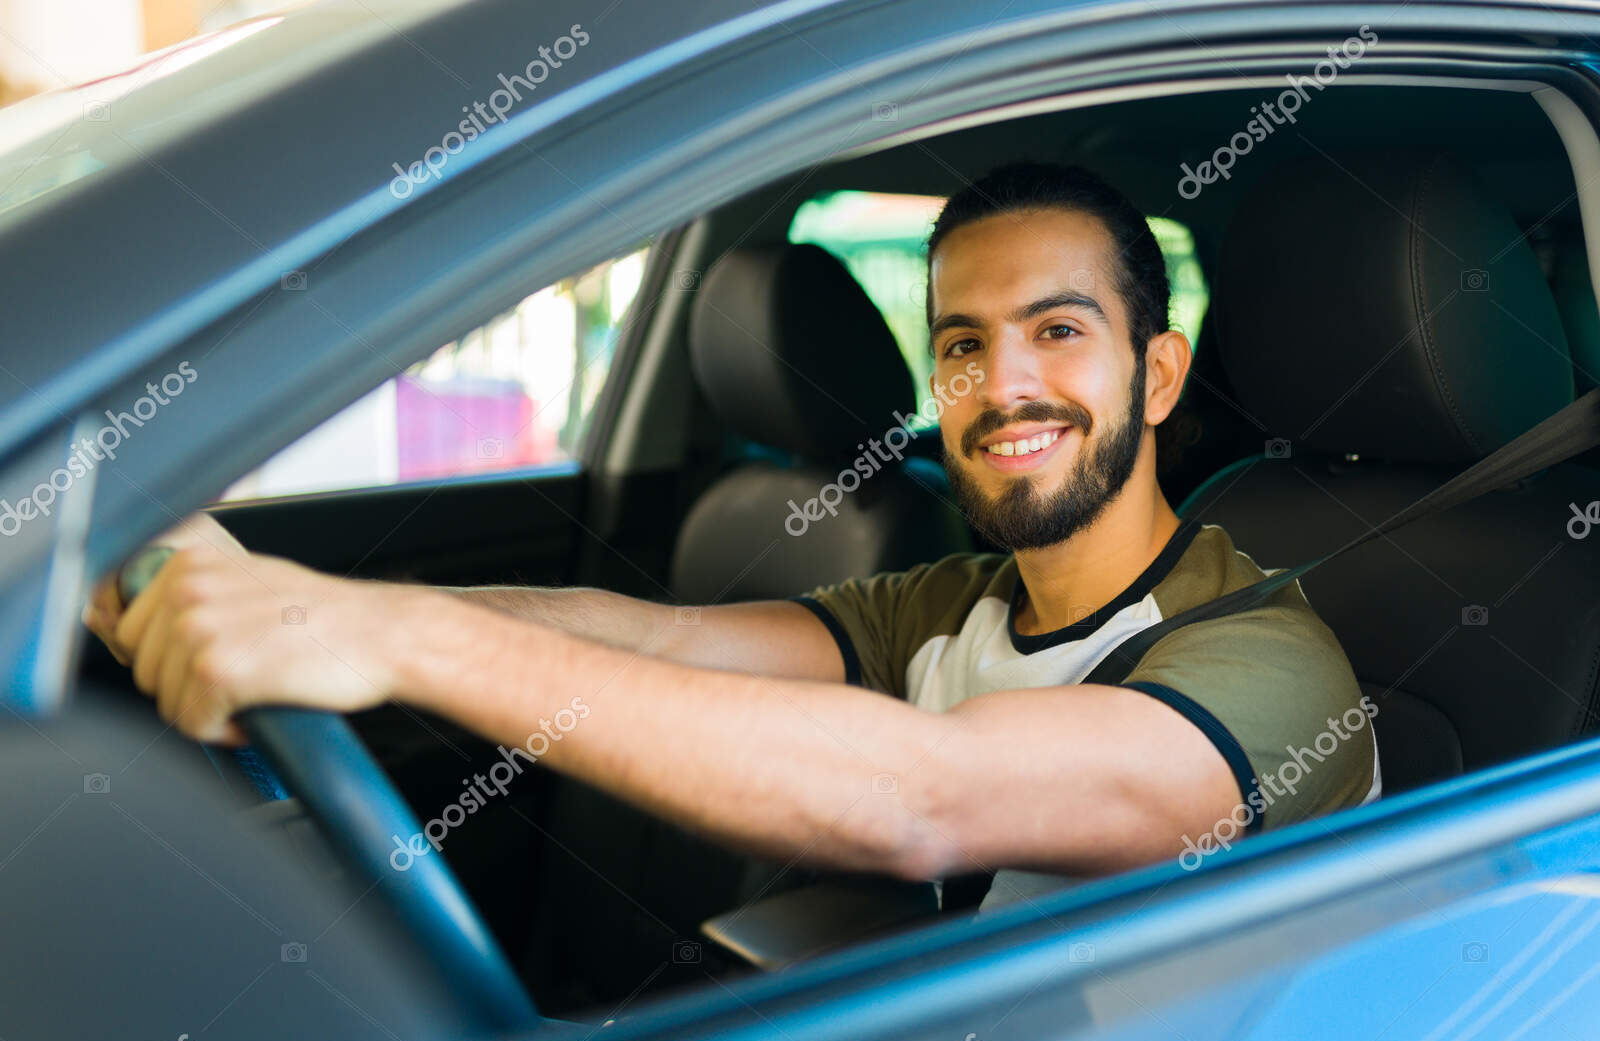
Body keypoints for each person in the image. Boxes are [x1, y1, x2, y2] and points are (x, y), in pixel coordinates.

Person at [84, 162, 1377, 911]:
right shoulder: (953, 601)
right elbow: (652, 641)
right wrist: (298, 604)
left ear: (1158, 376)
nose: (1004, 387)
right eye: (963, 345)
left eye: (1058, 331)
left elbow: (926, 799)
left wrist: (397, 639)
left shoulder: (1265, 660)